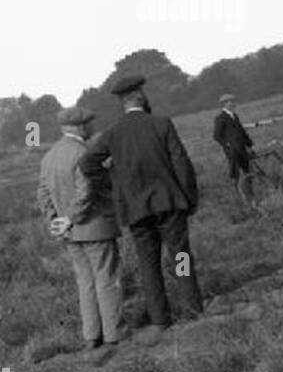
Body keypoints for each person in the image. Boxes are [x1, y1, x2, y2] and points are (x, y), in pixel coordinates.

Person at [80, 75, 201, 340]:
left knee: (149, 264)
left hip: (135, 210)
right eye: (143, 93)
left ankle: (160, 319)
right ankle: (192, 308)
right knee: (180, 255)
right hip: (169, 203)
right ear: (138, 96)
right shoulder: (161, 124)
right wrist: (189, 198)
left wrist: (114, 183)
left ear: (122, 102)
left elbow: (87, 164)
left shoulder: (111, 134)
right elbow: (182, 164)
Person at [37, 106, 122, 352]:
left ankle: (91, 336)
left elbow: (43, 193)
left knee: (85, 283)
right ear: (81, 127)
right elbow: (87, 193)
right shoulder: (85, 153)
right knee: (106, 279)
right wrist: (72, 218)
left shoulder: (49, 156)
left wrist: (56, 221)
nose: (93, 127)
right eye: (90, 123)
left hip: (69, 234)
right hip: (94, 227)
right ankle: (113, 334)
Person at [213, 94, 255, 199]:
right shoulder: (220, 118)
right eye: (228, 102)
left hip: (241, 148)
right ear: (223, 105)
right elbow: (216, 135)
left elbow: (242, 131)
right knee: (235, 172)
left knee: (247, 170)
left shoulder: (235, 116)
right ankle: (237, 194)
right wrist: (227, 144)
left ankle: (250, 192)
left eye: (232, 101)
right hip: (232, 151)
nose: (231, 103)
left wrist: (249, 144)